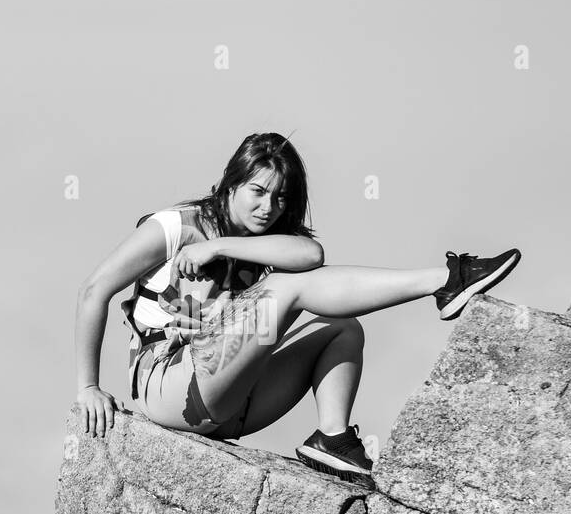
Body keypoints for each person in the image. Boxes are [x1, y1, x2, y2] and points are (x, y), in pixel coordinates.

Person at [74, 132, 520, 488]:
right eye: (257, 191)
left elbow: (311, 254)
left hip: (236, 405)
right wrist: (88, 386)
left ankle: (332, 439)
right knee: (284, 291)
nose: (268, 207)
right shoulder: (174, 227)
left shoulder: (249, 241)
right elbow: (95, 290)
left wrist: (219, 247)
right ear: (231, 183)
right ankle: (444, 280)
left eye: (281, 198)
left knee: (342, 329)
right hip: (172, 385)